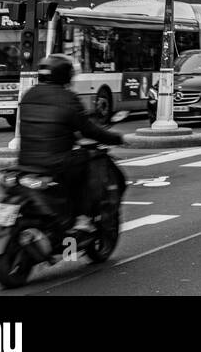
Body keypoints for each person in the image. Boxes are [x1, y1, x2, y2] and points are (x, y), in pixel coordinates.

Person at [17, 54, 124, 232]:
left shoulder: (29, 94)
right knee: (88, 161)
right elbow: (89, 130)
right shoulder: (67, 98)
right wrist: (118, 138)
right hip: (56, 163)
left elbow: (49, 125)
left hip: (25, 163)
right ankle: (81, 216)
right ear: (65, 76)